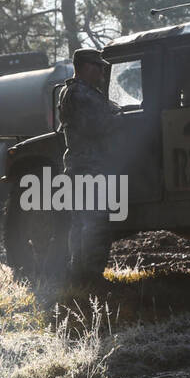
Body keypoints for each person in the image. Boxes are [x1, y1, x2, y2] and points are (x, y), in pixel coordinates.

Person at [58, 48, 119, 283]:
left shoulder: (78, 92)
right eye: (97, 66)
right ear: (83, 67)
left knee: (81, 222)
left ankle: (79, 273)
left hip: (81, 165)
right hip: (89, 165)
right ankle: (91, 275)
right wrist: (118, 118)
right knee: (95, 222)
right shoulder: (81, 94)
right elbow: (99, 126)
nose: (101, 70)